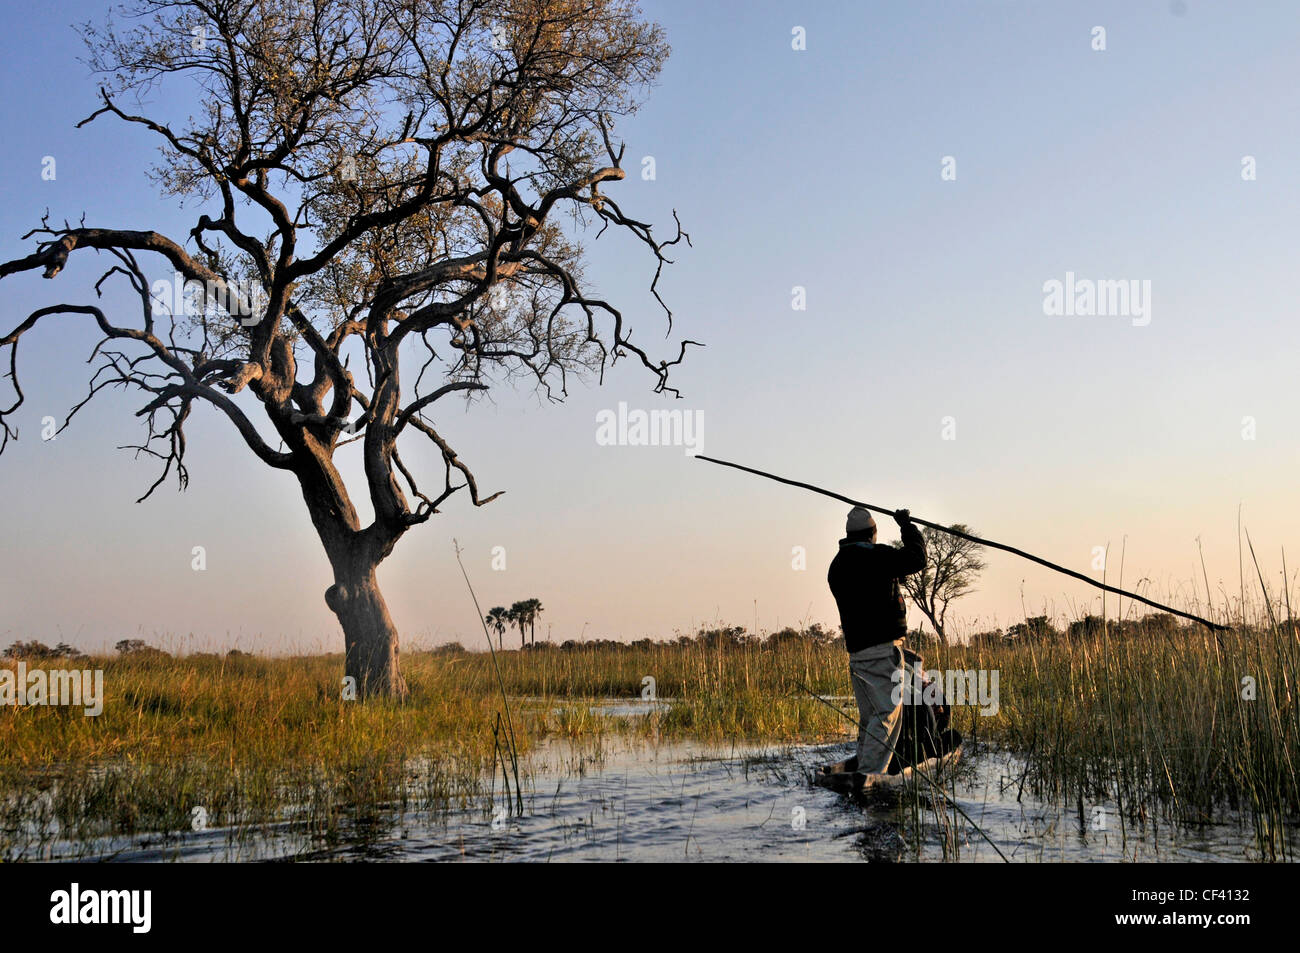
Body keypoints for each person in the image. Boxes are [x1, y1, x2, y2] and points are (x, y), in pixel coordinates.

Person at [827, 505, 927, 788]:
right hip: (882, 651)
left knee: (871, 717)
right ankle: (868, 779)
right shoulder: (876, 555)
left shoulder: (837, 566)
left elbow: (866, 586)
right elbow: (917, 558)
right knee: (886, 715)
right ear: (872, 533)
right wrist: (906, 525)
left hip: (857, 654)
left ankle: (863, 769)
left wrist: (890, 578)